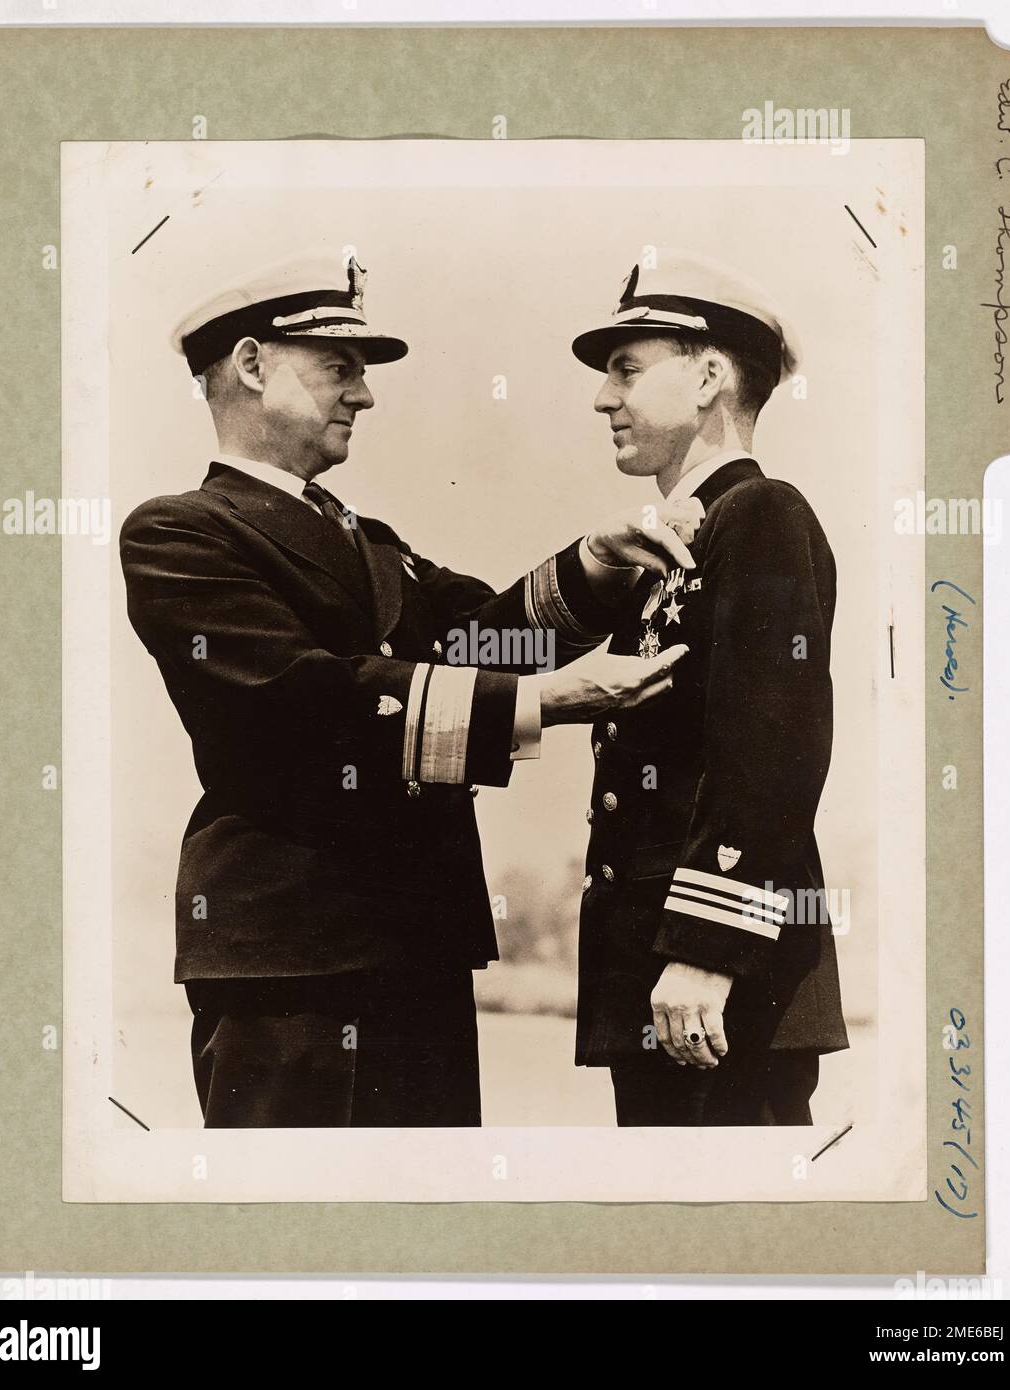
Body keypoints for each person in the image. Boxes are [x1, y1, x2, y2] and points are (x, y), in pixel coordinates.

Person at [120, 248, 691, 1128]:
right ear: (249, 364)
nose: (364, 394)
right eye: (339, 367)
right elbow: (304, 700)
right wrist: (552, 704)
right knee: (297, 1232)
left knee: (424, 1227)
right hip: (289, 960)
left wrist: (596, 562)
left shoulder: (367, 539)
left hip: (416, 943)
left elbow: (484, 636)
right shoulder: (180, 533)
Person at [569, 250, 849, 1126]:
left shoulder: (760, 514)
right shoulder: (681, 543)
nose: (602, 398)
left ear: (709, 376)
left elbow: (775, 746)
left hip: (717, 987)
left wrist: (707, 950)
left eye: (626, 369)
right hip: (666, 978)